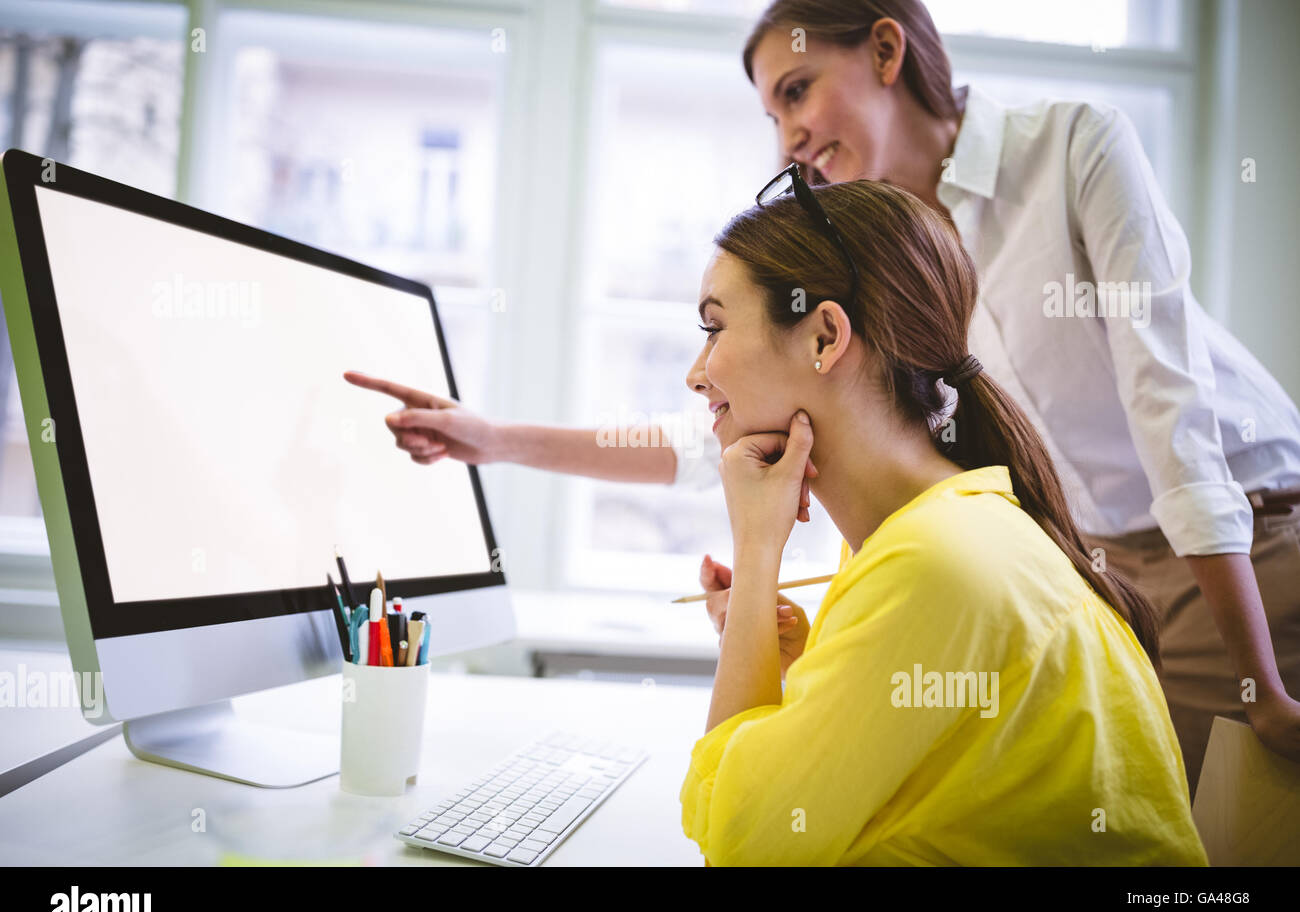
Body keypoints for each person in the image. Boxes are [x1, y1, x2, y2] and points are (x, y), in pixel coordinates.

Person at [346, 0, 1300, 793]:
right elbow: (720, 434)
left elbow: (1165, 405)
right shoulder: (878, 259)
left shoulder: (1072, 148)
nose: (788, 131)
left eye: (796, 90)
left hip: (1249, 549)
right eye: (769, 112)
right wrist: (495, 439)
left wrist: (1258, 678)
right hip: (1101, 563)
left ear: (887, 49)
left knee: (1221, 849)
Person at [678, 172, 1206, 865]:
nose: (697, 372)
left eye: (714, 328)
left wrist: (755, 556)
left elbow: (739, 844)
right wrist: (805, 665)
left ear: (824, 335)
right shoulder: (949, 526)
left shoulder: (932, 560)